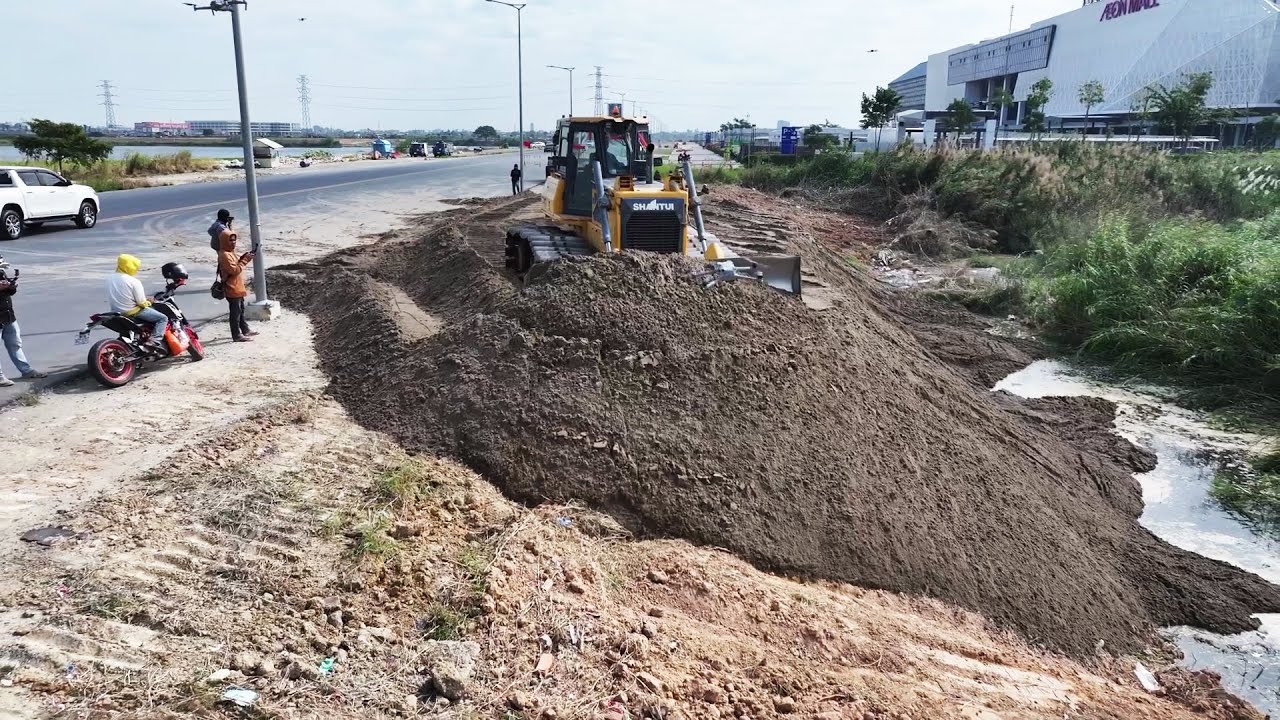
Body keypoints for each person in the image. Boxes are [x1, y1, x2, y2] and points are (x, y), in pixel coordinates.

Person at [0, 257, 46, 387]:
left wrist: (11, 287)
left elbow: (9, 292)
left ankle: (26, 370)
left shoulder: (1, 273)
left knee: (15, 344)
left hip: (8, 316)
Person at [106, 254, 169, 348]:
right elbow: (141, 303)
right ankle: (154, 340)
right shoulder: (133, 281)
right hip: (133, 312)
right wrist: (150, 301)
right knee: (162, 318)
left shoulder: (110, 278)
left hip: (116, 312)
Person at [216, 229, 258, 343]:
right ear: (224, 241)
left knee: (241, 309)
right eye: (230, 241)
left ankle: (245, 330)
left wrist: (245, 257)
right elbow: (234, 270)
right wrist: (246, 260)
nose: (233, 243)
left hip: (237, 287)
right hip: (231, 288)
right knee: (235, 312)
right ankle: (236, 335)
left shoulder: (230, 252)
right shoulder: (224, 255)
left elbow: (237, 264)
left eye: (234, 240)